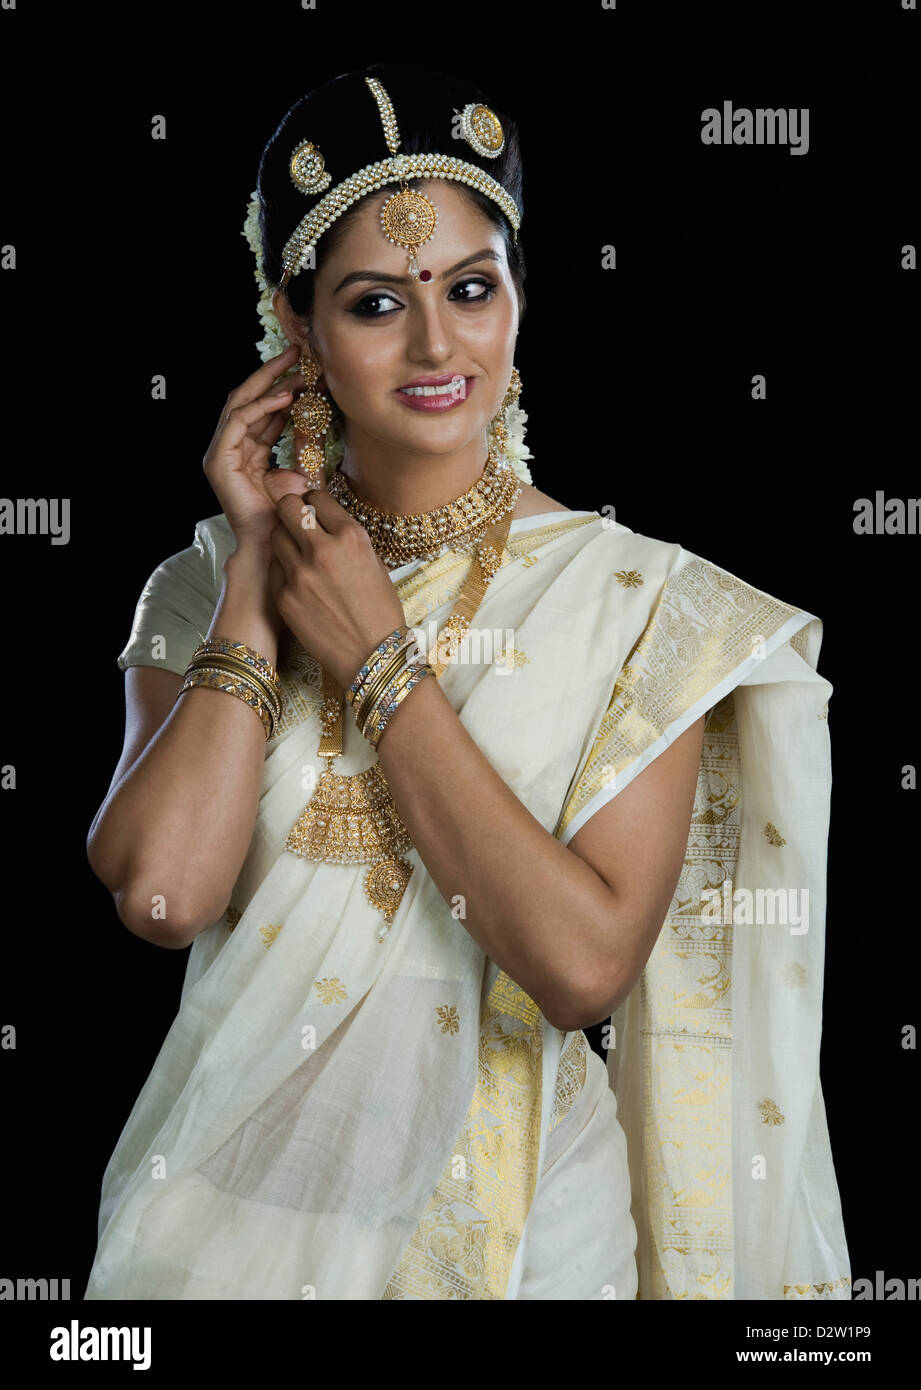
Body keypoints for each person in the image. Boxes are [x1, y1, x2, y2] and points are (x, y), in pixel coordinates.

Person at [84, 61, 850, 1301]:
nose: (439, 344)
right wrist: (257, 580)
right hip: (223, 1230)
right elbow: (167, 893)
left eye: (473, 289)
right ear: (297, 330)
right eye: (378, 302)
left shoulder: (640, 603)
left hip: (527, 1245)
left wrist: (379, 664)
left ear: (518, 301)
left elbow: (582, 964)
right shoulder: (211, 579)